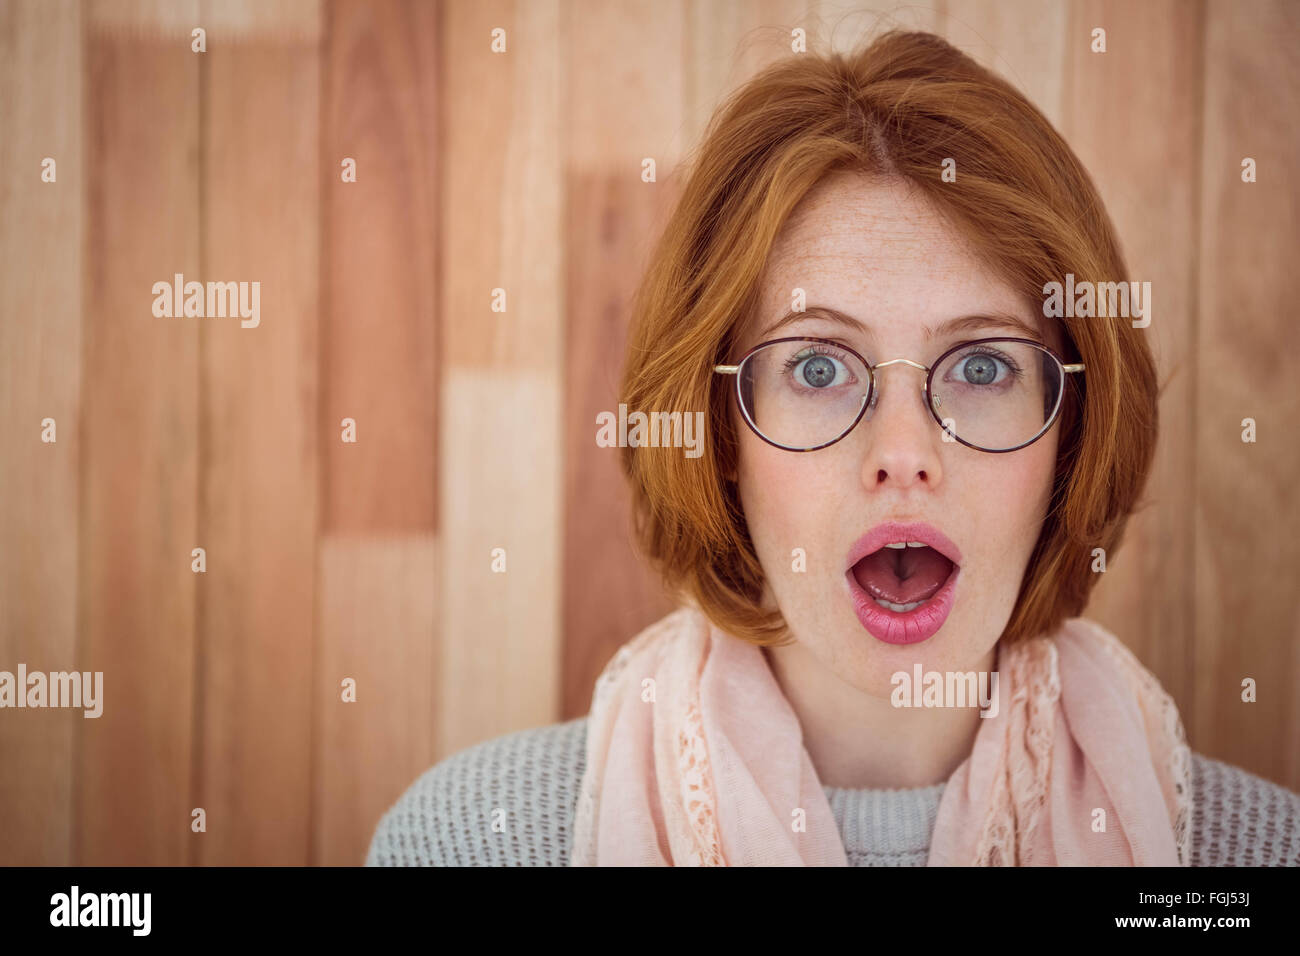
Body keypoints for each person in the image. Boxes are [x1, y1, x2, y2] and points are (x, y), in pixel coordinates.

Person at [367, 29, 1300, 866]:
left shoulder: (1249, 855)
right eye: (818, 370)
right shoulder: (468, 840)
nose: (903, 453)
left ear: (1072, 435)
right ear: (720, 429)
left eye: (980, 369)